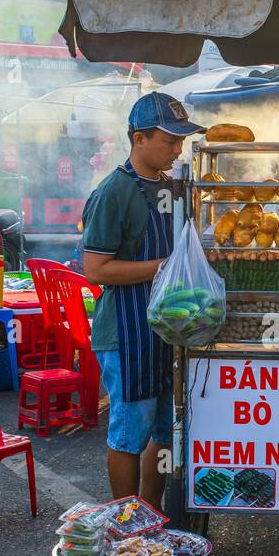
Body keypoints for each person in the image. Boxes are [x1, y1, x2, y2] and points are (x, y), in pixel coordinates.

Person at [82, 92, 205, 509]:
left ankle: (151, 518)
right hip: (126, 333)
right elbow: (96, 270)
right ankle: (125, 521)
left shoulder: (173, 188)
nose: (178, 148)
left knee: (164, 429)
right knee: (129, 430)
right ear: (139, 138)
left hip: (167, 330)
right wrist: (164, 267)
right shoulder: (114, 193)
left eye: (181, 141)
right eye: (170, 140)